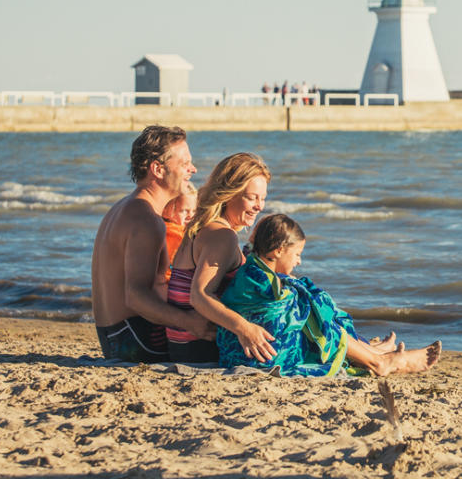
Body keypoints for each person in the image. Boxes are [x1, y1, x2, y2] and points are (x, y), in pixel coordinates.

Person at [218, 213, 441, 376]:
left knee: (317, 314)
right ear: (278, 251)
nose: (299, 261)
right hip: (262, 354)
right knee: (321, 321)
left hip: (242, 349)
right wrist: (301, 294)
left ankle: (371, 352)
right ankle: (377, 361)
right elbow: (282, 310)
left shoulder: (254, 267)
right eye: (297, 254)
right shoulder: (261, 279)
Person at [91, 126, 211, 362]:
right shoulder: (148, 220)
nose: (193, 169)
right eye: (185, 163)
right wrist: (190, 323)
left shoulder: (124, 206)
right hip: (136, 343)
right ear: (157, 169)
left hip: (114, 337)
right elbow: (135, 296)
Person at [166, 152, 278, 364]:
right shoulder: (221, 236)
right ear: (229, 194)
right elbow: (199, 296)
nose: (259, 206)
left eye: (263, 198)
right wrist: (246, 329)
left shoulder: (200, 228)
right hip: (200, 350)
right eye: (252, 197)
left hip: (182, 347)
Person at [162, 181, 198, 265]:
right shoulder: (178, 235)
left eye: (194, 211)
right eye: (184, 211)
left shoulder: (158, 227)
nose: (191, 215)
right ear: (165, 211)